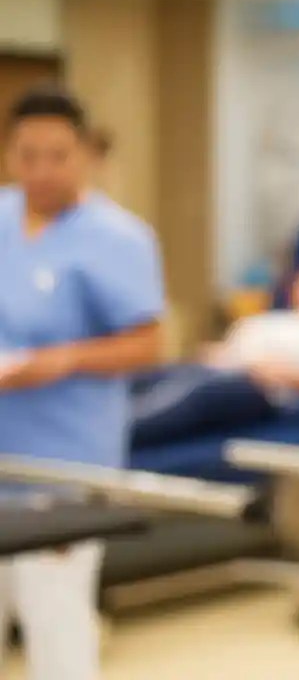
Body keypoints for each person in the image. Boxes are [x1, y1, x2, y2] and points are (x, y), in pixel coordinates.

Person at [0, 85, 165, 679]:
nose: (42, 171)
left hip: (66, 466)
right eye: (28, 155)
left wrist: (61, 360)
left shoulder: (117, 238)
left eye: (58, 156)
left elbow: (149, 344)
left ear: (87, 154)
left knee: (56, 629)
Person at [129, 256, 299, 446]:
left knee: (199, 392)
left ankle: (129, 431)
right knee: (161, 375)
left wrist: (273, 372)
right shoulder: (266, 320)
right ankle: (116, 417)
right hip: (219, 370)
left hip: (261, 387)